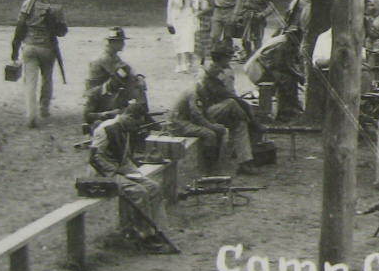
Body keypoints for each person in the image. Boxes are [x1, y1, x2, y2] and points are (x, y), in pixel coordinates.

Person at [167, 49, 270, 174]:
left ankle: (245, 162)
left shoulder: (212, 78)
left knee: (239, 123)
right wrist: (212, 125)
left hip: (202, 115)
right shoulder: (197, 89)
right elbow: (197, 115)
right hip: (183, 122)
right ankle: (211, 169)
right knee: (213, 131)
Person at [89, 107, 165, 240]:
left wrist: (135, 173)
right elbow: (95, 158)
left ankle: (158, 230)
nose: (136, 127)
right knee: (138, 191)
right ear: (128, 117)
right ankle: (144, 235)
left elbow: (125, 157)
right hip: (102, 173)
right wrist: (114, 173)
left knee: (153, 187)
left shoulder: (125, 129)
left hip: (120, 170)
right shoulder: (106, 128)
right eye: (135, 124)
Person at [11, 0, 68, 128]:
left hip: (29, 46)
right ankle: (44, 109)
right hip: (47, 48)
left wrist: (14, 50)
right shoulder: (56, 9)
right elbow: (62, 32)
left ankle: (31, 115)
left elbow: (19, 28)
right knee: (47, 79)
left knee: (30, 82)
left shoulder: (27, 5)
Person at [82, 27, 148, 134]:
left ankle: (142, 116)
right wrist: (137, 80)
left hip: (106, 91)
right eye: (121, 41)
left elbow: (127, 70)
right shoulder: (105, 58)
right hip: (98, 95)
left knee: (136, 85)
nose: (123, 44)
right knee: (136, 87)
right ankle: (143, 116)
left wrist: (138, 77)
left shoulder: (112, 56)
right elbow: (123, 74)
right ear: (113, 43)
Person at [243, 26, 305, 118]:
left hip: (264, 66)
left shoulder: (283, 40)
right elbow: (281, 64)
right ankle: (287, 111)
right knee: (287, 80)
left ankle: (290, 108)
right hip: (257, 69)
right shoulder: (283, 43)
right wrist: (299, 75)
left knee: (287, 78)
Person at [166, 0, 204, 74]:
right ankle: (179, 64)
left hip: (188, 18)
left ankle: (187, 64)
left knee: (188, 41)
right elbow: (170, 5)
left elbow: (192, 2)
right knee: (177, 40)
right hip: (176, 17)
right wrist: (169, 20)